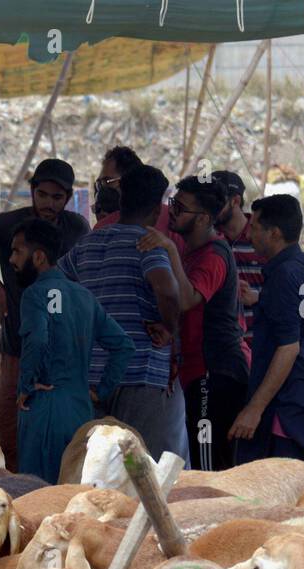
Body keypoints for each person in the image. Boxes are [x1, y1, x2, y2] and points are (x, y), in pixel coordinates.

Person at [0, 158, 90, 465]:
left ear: (67, 198)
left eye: (57, 197)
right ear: (32, 191)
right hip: (18, 343)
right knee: (12, 430)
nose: (49, 204)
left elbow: (84, 272)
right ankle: (16, 490)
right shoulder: (8, 225)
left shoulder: (76, 227)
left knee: (61, 429)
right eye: (43, 195)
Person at [59, 163, 187, 461]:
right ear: (158, 209)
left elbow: (57, 282)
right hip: (141, 373)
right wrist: (169, 328)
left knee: (99, 466)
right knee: (150, 465)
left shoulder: (87, 244)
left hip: (91, 373)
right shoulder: (148, 243)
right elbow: (167, 290)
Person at [11, 219, 132, 483]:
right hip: (81, 412)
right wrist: (101, 390)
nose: (12, 259)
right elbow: (123, 346)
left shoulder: (34, 294)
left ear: (39, 257)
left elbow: (40, 338)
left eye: (17, 251)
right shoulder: (84, 296)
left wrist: (27, 384)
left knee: (38, 493)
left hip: (44, 407)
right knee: (74, 490)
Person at [139, 175, 247, 471]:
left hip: (214, 375)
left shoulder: (213, 255)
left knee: (209, 469)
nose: (171, 210)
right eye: (173, 202)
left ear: (202, 219)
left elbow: (187, 300)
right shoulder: (194, 251)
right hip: (197, 373)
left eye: (180, 207)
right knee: (201, 461)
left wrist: (169, 250)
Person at [229, 194, 304, 466]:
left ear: (274, 233)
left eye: (255, 228)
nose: (249, 233)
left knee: (280, 495)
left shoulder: (285, 275)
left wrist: (254, 409)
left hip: (287, 410)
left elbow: (289, 347)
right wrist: (260, 299)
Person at [212, 170, 263, 354]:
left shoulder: (265, 236)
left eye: (217, 201)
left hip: (261, 351)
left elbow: (291, 292)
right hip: (220, 352)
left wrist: (257, 297)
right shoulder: (206, 240)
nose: (210, 207)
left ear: (235, 201)